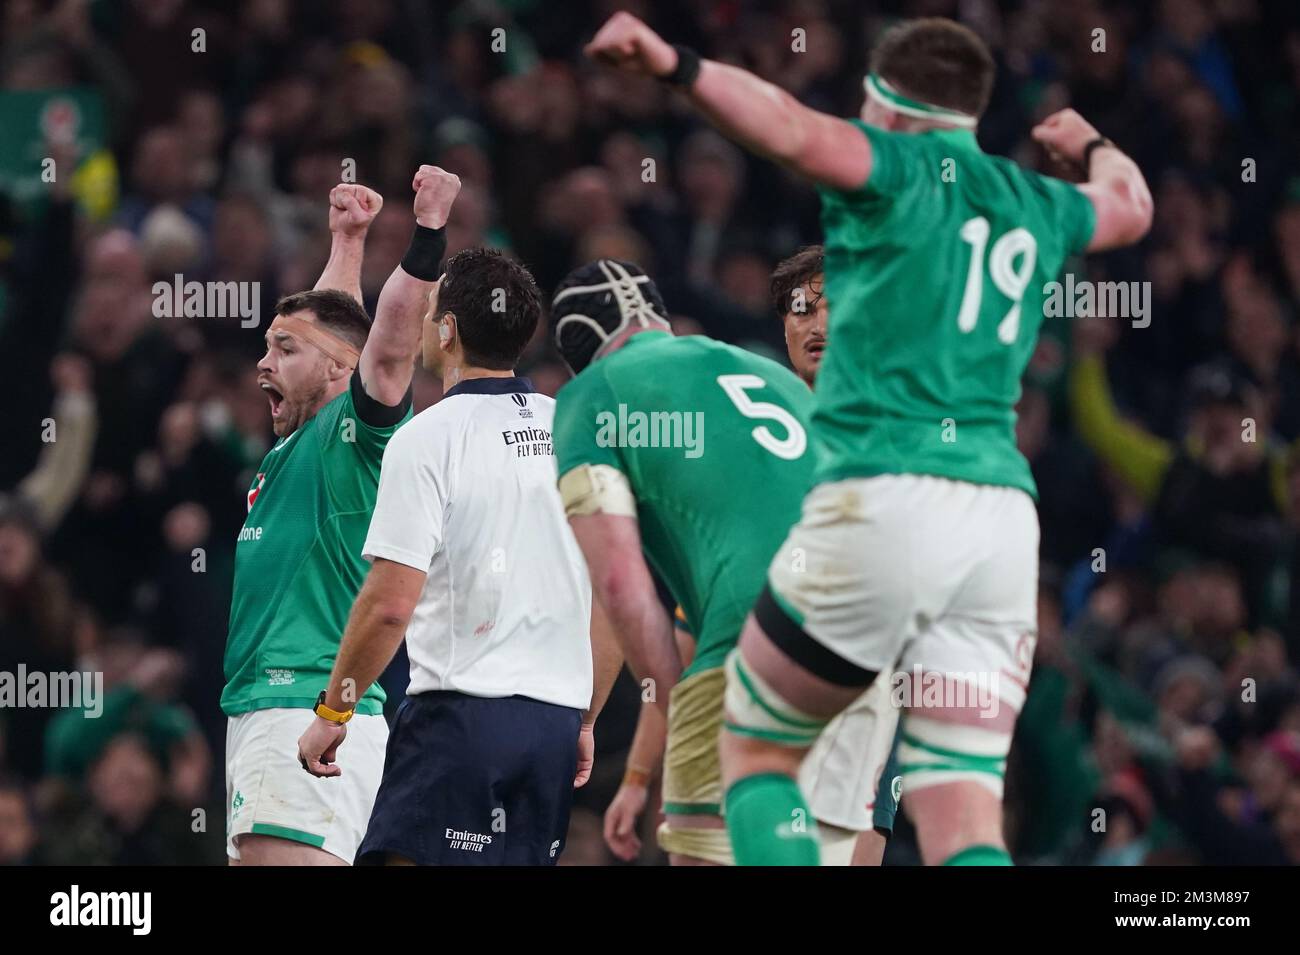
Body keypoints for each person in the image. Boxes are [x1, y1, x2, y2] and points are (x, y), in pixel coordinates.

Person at [587, 12, 1153, 865]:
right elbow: (1132, 206)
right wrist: (1092, 142)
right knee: (965, 820)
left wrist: (677, 64)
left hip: (888, 495)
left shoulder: (892, 168)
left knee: (753, 749)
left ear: (888, 102)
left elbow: (783, 124)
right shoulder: (1034, 200)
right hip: (1002, 521)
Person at [297, 248, 620, 866]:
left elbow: (390, 604)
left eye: (429, 311)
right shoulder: (579, 434)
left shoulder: (427, 437)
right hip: (553, 730)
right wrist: (584, 719)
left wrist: (335, 709)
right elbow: (615, 598)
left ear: (447, 330)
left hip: (461, 723)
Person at [222, 166, 461, 866]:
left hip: (302, 703)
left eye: (282, 350)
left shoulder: (354, 436)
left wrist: (427, 234)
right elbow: (338, 328)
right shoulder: (307, 440)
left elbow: (385, 346)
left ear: (337, 371)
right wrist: (347, 241)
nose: (263, 363)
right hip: (283, 709)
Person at [551, 257, 814, 866]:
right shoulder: (769, 372)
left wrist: (680, 707)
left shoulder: (593, 393)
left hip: (757, 640)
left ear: (579, 357)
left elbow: (620, 583)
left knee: (705, 849)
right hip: (870, 636)